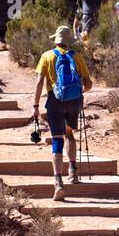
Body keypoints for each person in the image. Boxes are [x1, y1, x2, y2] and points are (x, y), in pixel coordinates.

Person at [32, 24, 93, 201]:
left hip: (54, 101)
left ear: (57, 40)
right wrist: (79, 91)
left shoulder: (47, 56)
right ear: (69, 41)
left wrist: (36, 106)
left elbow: (38, 83)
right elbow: (88, 84)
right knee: (69, 134)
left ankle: (58, 183)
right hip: (74, 101)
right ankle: (73, 171)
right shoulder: (77, 57)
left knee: (57, 139)